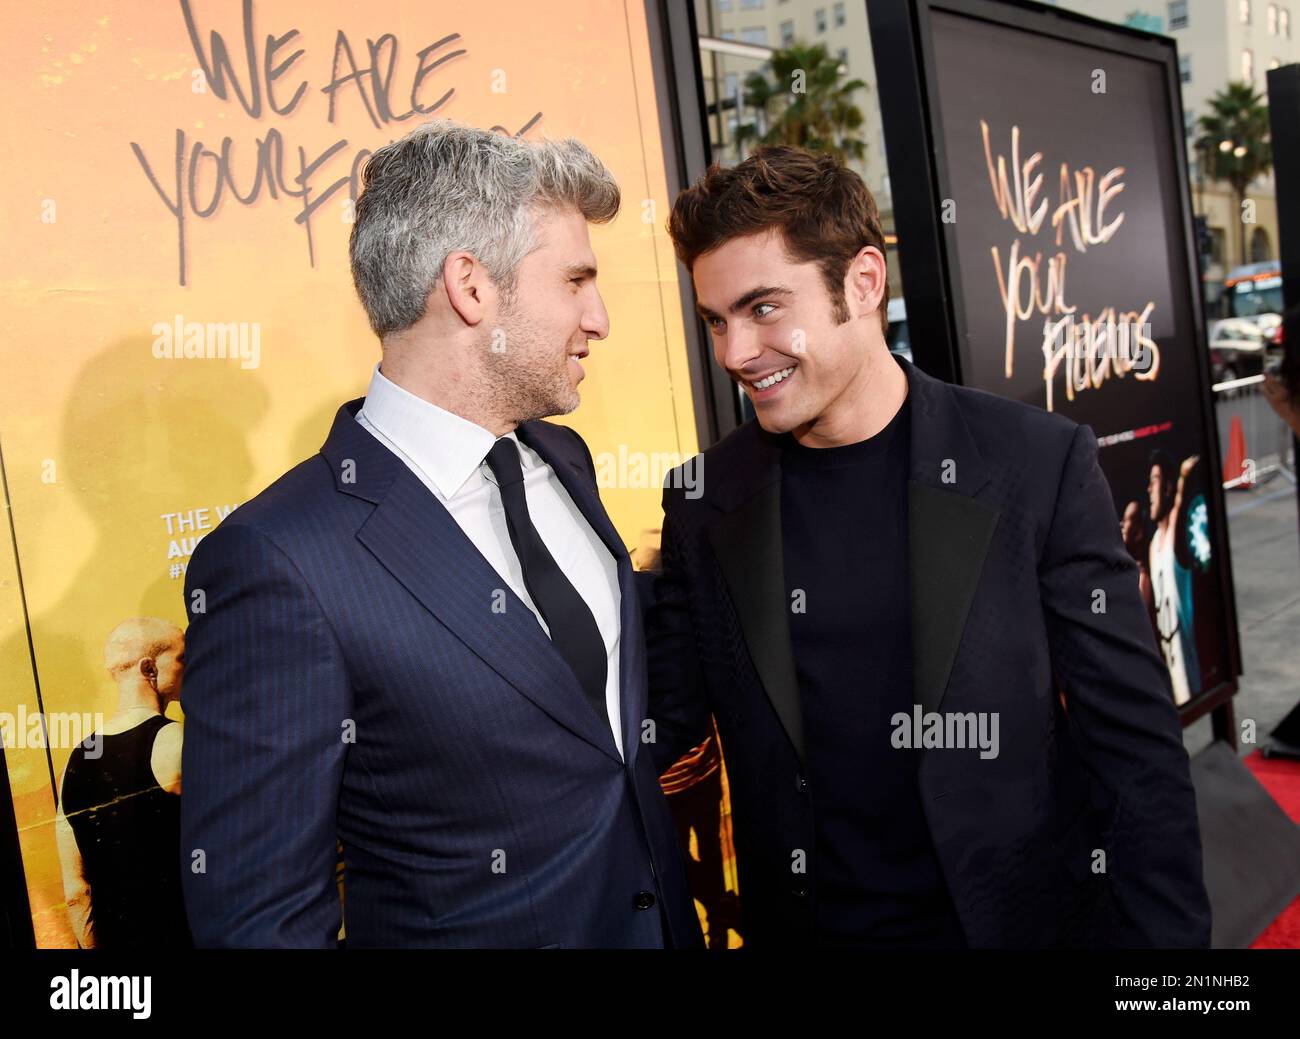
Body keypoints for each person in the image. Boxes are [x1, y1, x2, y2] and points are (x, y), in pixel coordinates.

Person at [646, 144, 1211, 948]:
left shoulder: (1034, 464)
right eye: (715, 321)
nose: (735, 352)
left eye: (764, 308)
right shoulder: (704, 501)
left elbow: (1136, 753)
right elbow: (655, 720)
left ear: (864, 282)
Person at [179, 120, 700, 949]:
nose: (597, 319)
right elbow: (259, 920)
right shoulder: (280, 562)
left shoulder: (562, 459)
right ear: (470, 287)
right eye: (575, 280)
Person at [56, 618, 191, 948]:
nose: (190, 667)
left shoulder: (76, 759)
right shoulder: (175, 741)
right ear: (149, 668)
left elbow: (76, 891)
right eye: (182, 658)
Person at [1147, 451, 1202, 706]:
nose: (1149, 489)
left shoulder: (1172, 541)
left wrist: (1183, 477)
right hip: (1167, 679)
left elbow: (1179, 508)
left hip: (1188, 678)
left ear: (1168, 488)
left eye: (1155, 480)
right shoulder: (1154, 544)